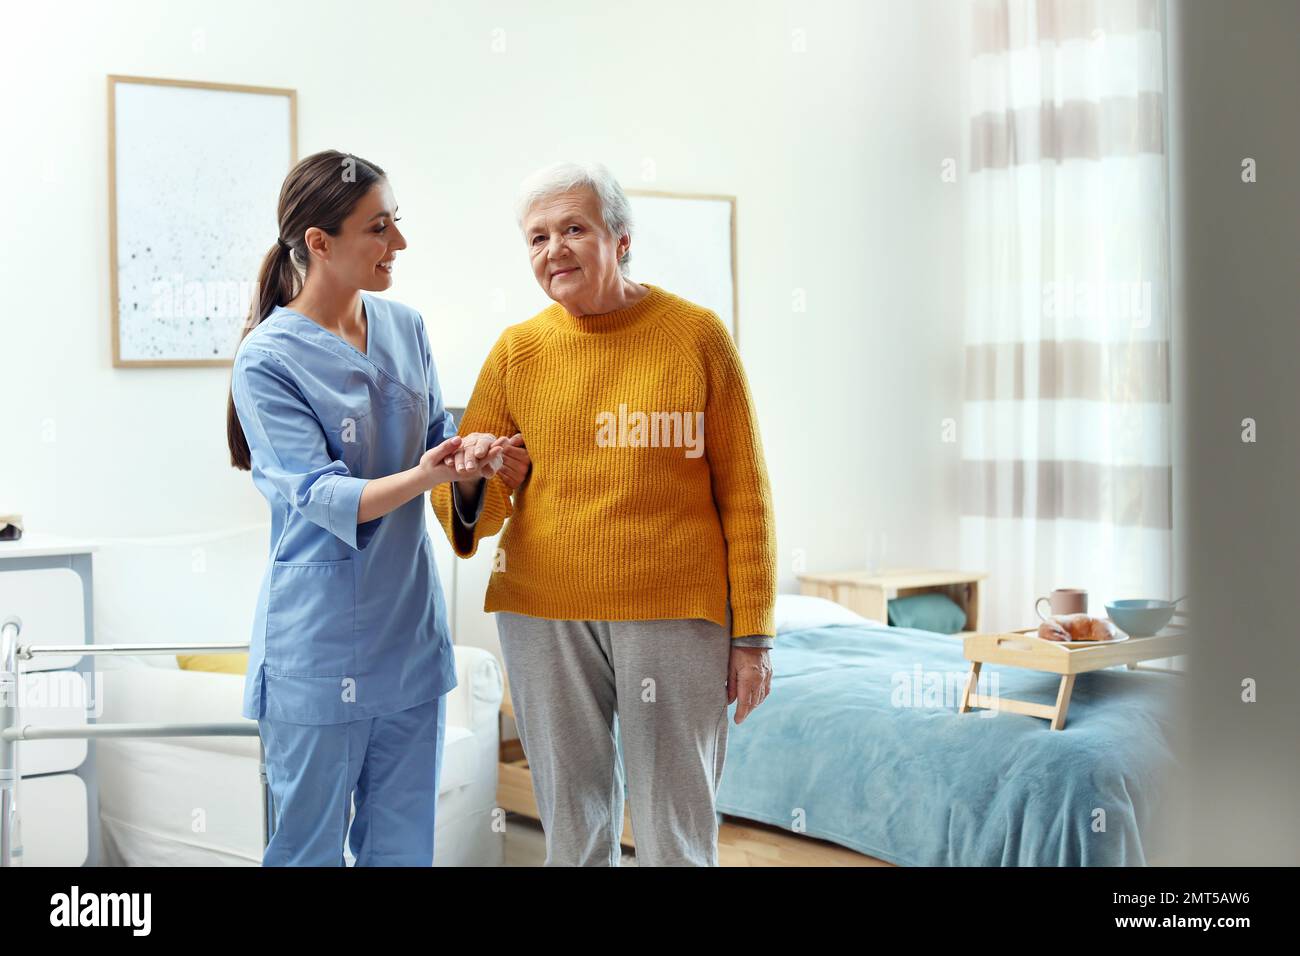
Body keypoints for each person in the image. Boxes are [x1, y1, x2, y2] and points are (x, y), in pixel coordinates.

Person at [430, 161, 776, 866]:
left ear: (619, 239)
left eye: (573, 229)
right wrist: (476, 479)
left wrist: (755, 636)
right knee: (574, 827)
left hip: (675, 606)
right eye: (537, 237)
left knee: (675, 826)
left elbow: (746, 494)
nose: (553, 249)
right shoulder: (518, 351)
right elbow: (475, 502)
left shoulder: (697, 336)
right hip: (541, 608)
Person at [226, 149, 528, 865]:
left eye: (397, 224)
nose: (399, 244)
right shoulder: (266, 361)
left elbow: (433, 446)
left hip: (410, 643)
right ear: (320, 243)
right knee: (307, 852)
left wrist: (470, 459)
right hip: (319, 650)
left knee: (401, 850)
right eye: (379, 228)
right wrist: (426, 475)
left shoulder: (406, 328)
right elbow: (321, 495)